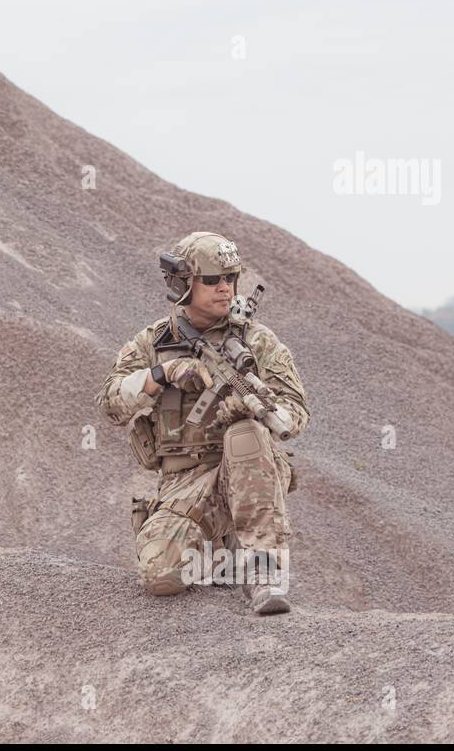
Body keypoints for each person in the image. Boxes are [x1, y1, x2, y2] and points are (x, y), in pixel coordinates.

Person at [96, 232, 310, 614]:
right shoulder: (153, 342)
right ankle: (219, 551)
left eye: (230, 278)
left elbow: (293, 413)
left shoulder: (257, 342)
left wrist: (254, 408)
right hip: (185, 485)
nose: (225, 288)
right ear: (183, 283)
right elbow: (111, 404)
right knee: (160, 576)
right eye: (211, 280)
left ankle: (263, 573)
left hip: (247, 473)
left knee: (247, 433)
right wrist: (163, 374)